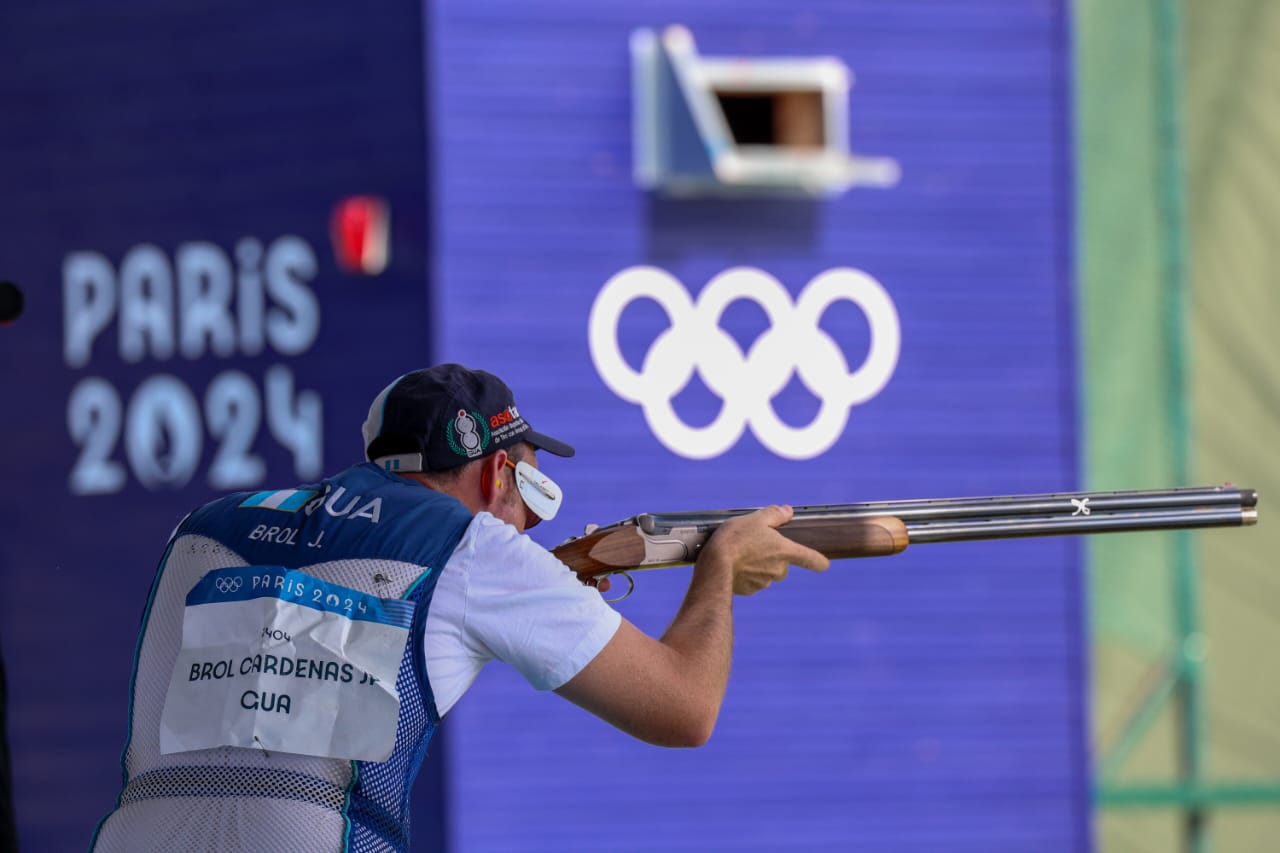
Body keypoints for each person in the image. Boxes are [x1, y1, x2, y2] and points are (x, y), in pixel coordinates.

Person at [90, 363, 828, 852]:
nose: (528, 526)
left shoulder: (205, 524)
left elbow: (297, 673)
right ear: (497, 471)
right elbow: (685, 709)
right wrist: (719, 572)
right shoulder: (476, 548)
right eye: (534, 493)